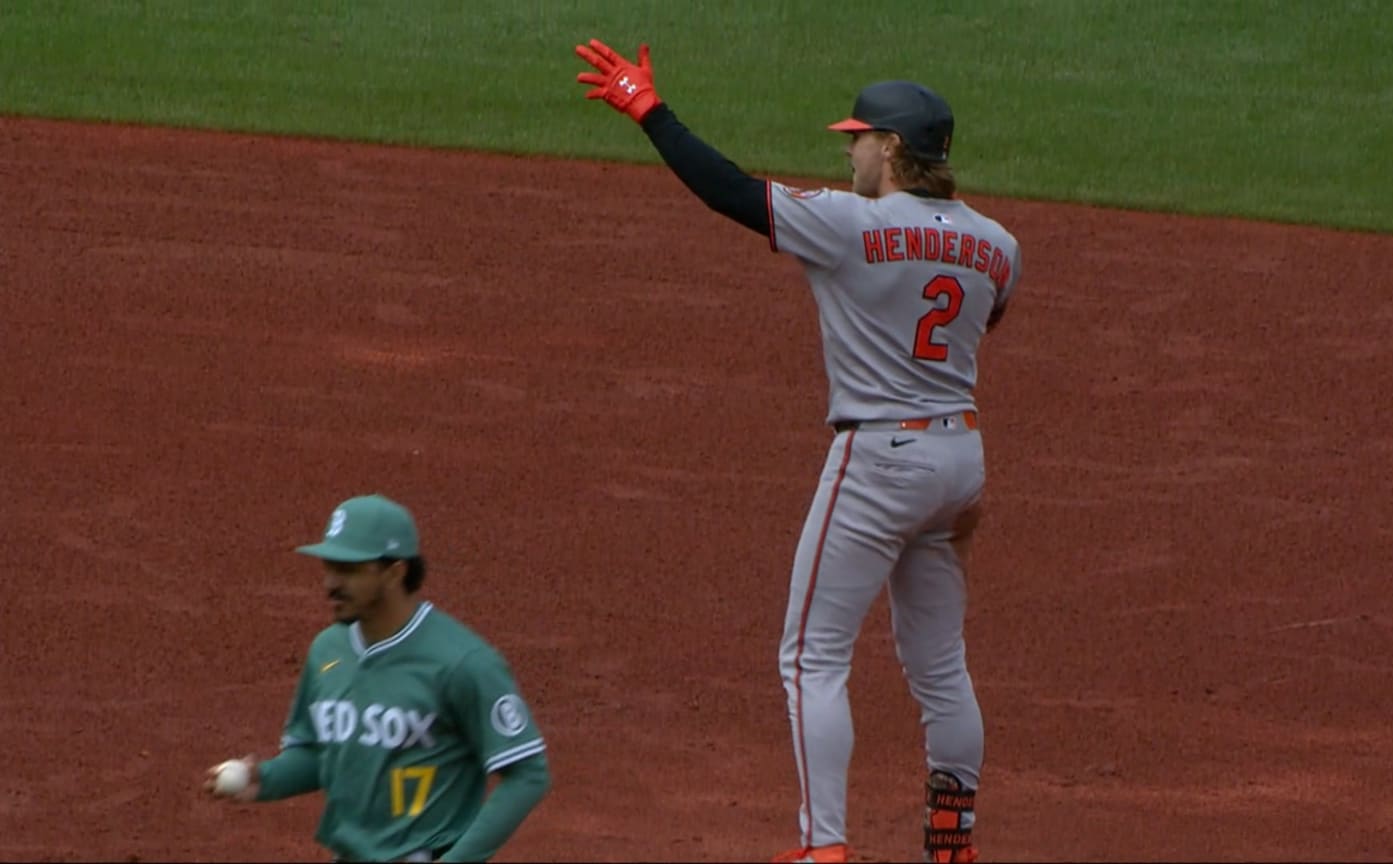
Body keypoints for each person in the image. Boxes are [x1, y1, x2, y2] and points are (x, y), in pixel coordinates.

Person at [575, 40, 1020, 864]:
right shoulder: (999, 243)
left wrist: (650, 112)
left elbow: (730, 191)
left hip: (879, 459)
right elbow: (981, 320)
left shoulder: (849, 223)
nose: (848, 151)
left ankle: (823, 849)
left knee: (812, 656)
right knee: (939, 664)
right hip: (960, 463)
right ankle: (952, 838)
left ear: (892, 147)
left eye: (858, 138)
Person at [204, 494, 551, 863]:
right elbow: (325, 755)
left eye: (349, 570)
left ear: (395, 572)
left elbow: (528, 774)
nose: (331, 583)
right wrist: (266, 779)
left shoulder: (463, 663)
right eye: (329, 567)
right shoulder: (328, 650)